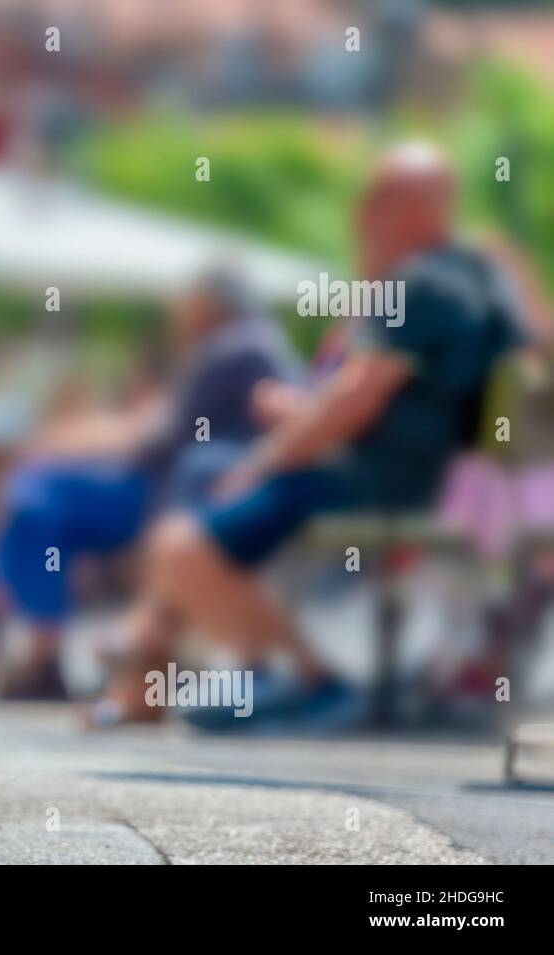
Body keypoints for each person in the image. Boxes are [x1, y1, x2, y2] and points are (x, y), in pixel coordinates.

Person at [106, 142, 525, 728]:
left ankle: (304, 680)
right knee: (207, 473)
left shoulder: (419, 284)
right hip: (426, 478)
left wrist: (265, 461)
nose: (362, 214)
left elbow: (355, 401)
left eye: (375, 198)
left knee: (181, 543)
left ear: (408, 206)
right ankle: (201, 664)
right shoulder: (474, 280)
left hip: (373, 480)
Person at [0, 269, 303, 702]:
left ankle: (30, 644)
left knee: (35, 497)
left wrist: (83, 446)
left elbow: (160, 442)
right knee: (36, 496)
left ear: (207, 306)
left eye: (184, 307)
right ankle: (26, 641)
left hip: (173, 495)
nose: (178, 319)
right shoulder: (251, 345)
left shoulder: (234, 348)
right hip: (188, 487)